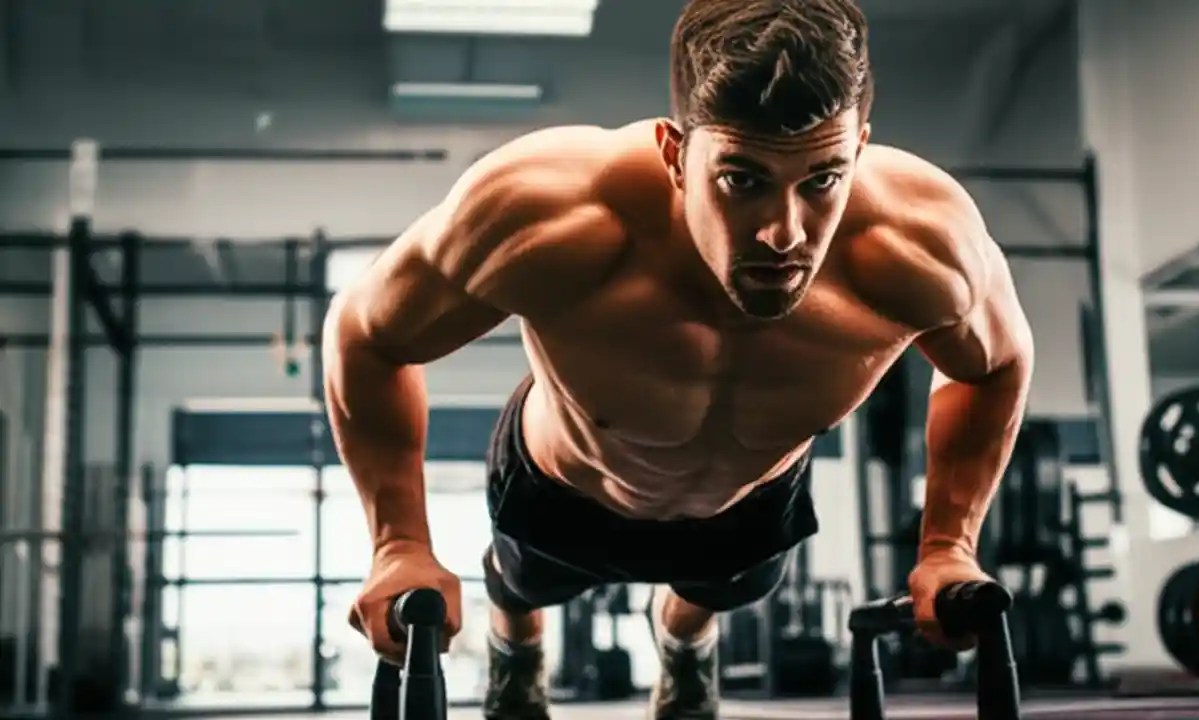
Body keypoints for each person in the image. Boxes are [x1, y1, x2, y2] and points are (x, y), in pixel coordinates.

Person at [322, 0, 1035, 717]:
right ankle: (517, 640)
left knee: (718, 587)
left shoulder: (921, 244)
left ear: (860, 148)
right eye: (742, 179)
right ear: (674, 152)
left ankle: (684, 640)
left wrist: (948, 542)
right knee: (523, 580)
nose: (785, 233)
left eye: (822, 179)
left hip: (748, 510)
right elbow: (366, 332)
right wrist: (398, 543)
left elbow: (996, 363)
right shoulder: (551, 214)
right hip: (563, 489)